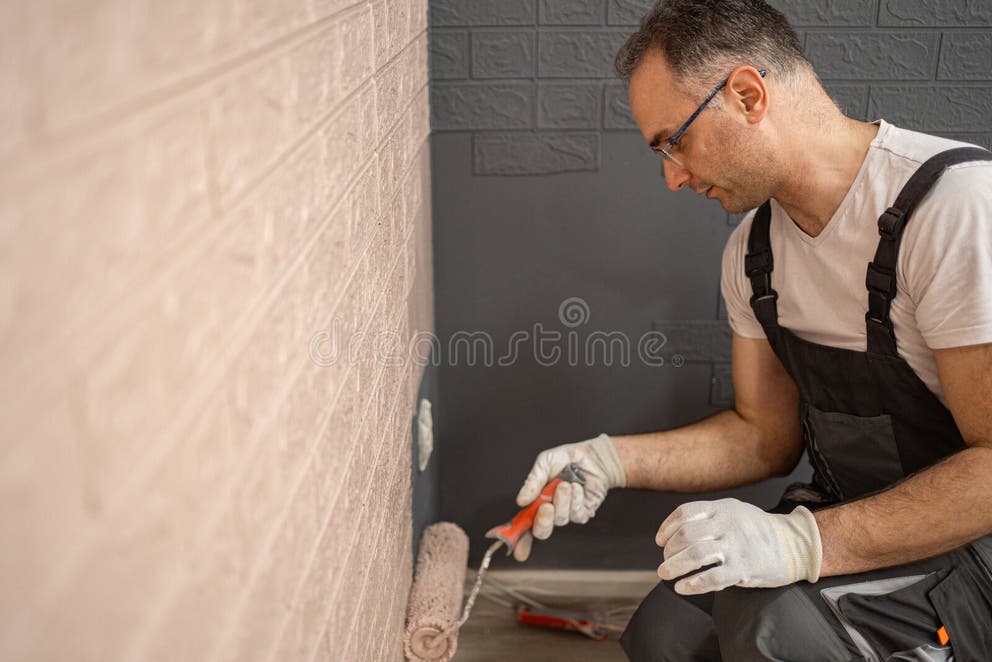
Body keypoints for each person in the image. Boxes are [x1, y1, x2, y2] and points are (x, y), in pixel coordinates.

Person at [512, 1, 992, 659]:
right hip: (845, 515)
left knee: (769, 624)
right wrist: (606, 459)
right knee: (668, 632)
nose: (672, 177)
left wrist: (800, 544)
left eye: (673, 141)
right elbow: (763, 436)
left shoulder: (953, 209)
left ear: (747, 95)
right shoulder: (753, 254)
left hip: (967, 553)